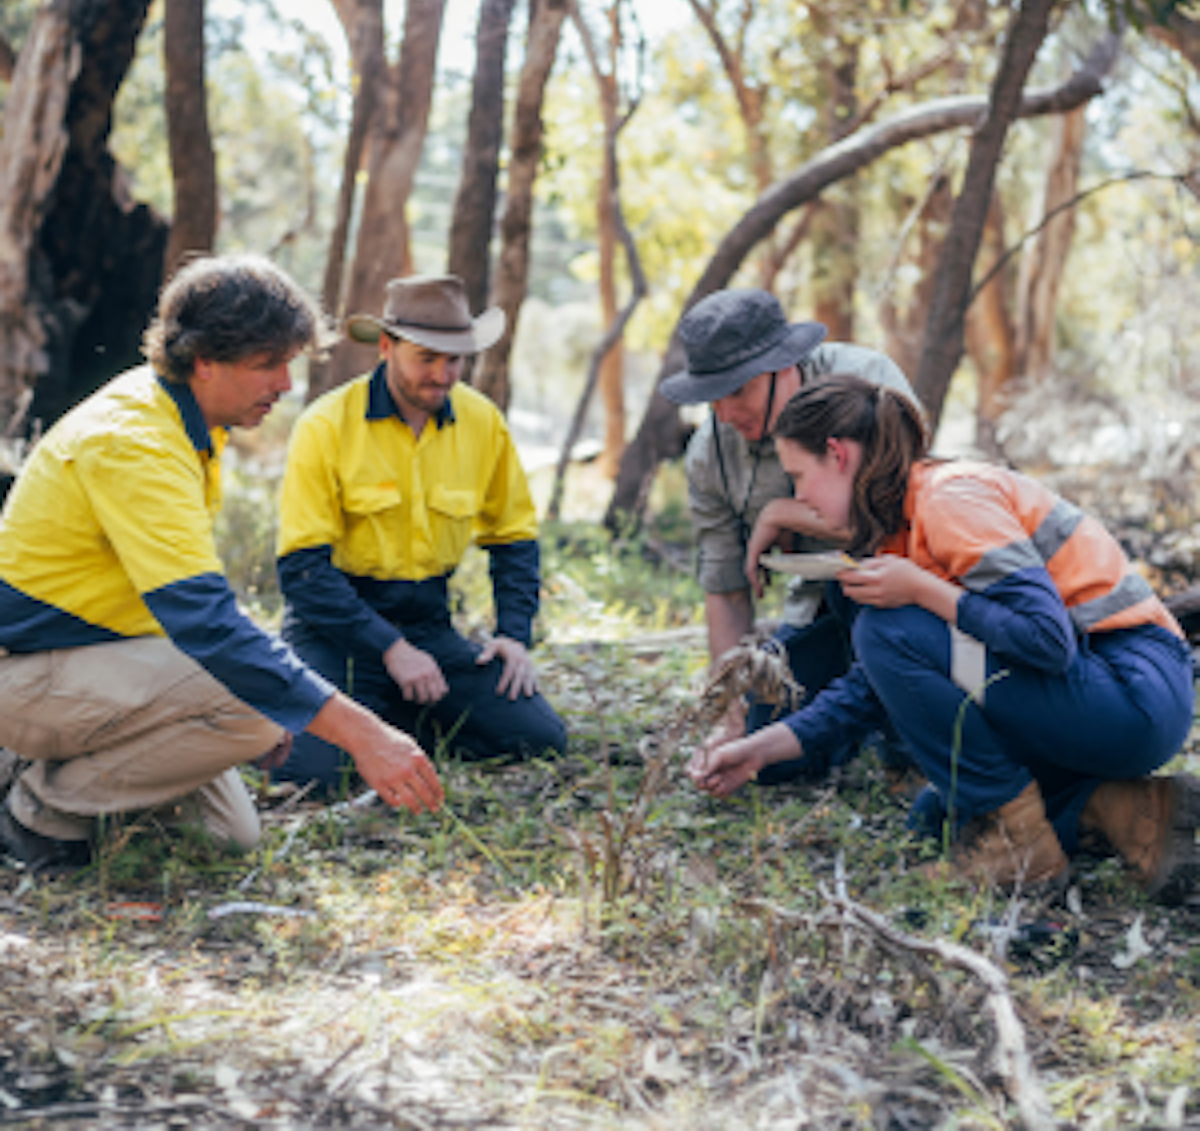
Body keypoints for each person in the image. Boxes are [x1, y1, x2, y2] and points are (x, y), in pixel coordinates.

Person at [0, 255, 444, 874]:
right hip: (23, 669)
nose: (285, 384)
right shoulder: (135, 443)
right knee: (252, 703)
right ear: (204, 360)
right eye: (267, 364)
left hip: (89, 658)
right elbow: (206, 623)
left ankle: (46, 768)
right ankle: (37, 812)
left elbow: (189, 602)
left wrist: (268, 698)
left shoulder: (188, 418)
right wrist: (363, 733)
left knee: (228, 834)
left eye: (288, 363)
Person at [691, 374, 1200, 902]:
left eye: (799, 476)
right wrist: (757, 751)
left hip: (1132, 689)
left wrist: (923, 590)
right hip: (1097, 699)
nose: (799, 497)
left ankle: (1018, 844)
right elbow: (871, 688)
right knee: (934, 816)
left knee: (885, 630)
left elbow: (1047, 641)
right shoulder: (900, 525)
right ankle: (1130, 813)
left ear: (838, 455)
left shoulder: (949, 498)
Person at [270, 274, 566, 795]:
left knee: (538, 737)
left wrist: (514, 635)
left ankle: (389, 715)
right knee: (314, 776)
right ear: (386, 347)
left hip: (429, 627)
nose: (442, 374)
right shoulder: (325, 425)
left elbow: (514, 539)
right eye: (426, 358)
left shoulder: (483, 422)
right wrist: (389, 648)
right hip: (334, 629)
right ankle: (357, 712)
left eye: (455, 360)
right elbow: (303, 572)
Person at [658, 287, 920, 785]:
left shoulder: (868, 384)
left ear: (783, 364)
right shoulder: (708, 454)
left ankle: (903, 737)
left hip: (906, 592)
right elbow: (726, 590)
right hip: (817, 604)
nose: (725, 413)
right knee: (766, 750)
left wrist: (783, 513)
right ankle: (855, 720)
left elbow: (911, 517)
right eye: (712, 396)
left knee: (896, 678)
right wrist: (729, 717)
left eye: (738, 391)